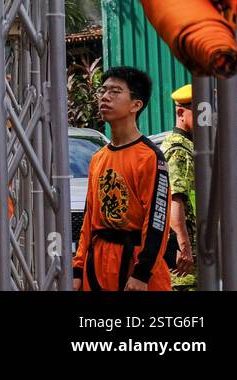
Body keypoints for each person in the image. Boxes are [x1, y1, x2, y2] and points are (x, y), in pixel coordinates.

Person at [73, 67, 171, 292]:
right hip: (98, 266)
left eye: (116, 91)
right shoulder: (98, 158)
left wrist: (142, 273)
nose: (105, 97)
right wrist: (78, 268)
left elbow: (157, 221)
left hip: (134, 263)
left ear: (136, 105)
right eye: (103, 90)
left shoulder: (149, 157)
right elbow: (89, 218)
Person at [161, 83, 196, 291]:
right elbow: (175, 199)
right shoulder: (179, 150)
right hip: (186, 266)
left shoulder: (191, 146)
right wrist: (184, 248)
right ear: (181, 113)